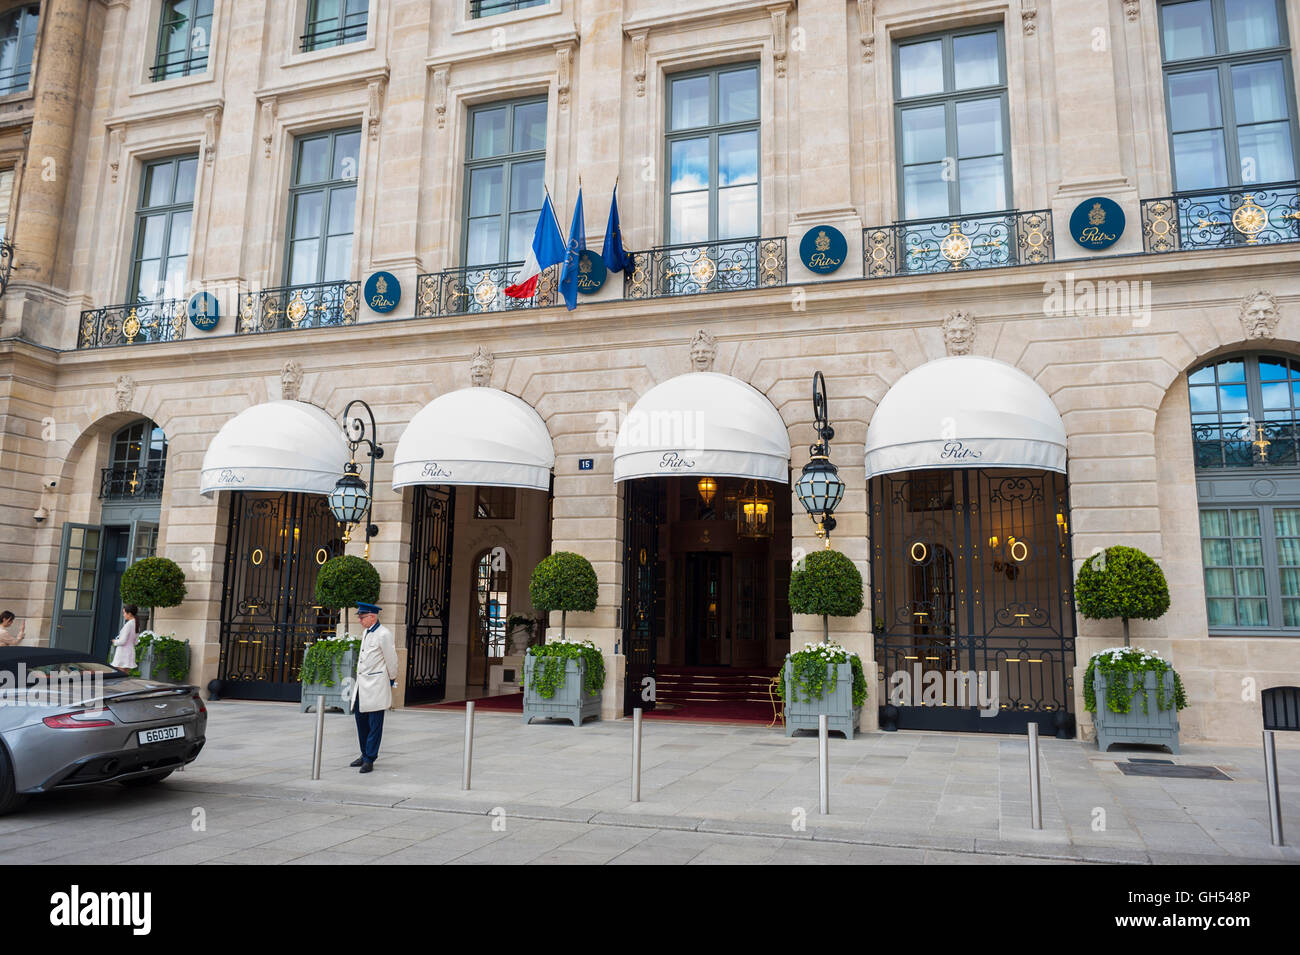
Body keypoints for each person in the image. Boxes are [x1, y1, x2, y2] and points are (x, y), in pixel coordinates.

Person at [347, 602, 397, 774]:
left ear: (372, 617)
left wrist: (392, 678)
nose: (360, 620)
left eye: (362, 617)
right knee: (361, 721)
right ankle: (364, 753)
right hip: (362, 685)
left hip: (376, 685)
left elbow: (391, 658)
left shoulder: (384, 634)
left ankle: (370, 758)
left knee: (375, 723)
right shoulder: (366, 632)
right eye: (360, 617)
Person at [110, 605, 139, 670]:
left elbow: (122, 641)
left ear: (129, 614)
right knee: (125, 676)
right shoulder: (136, 624)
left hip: (122, 653)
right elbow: (136, 642)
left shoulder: (128, 625)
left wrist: (114, 641)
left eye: (124, 613)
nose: (123, 615)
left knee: (119, 677)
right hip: (130, 652)